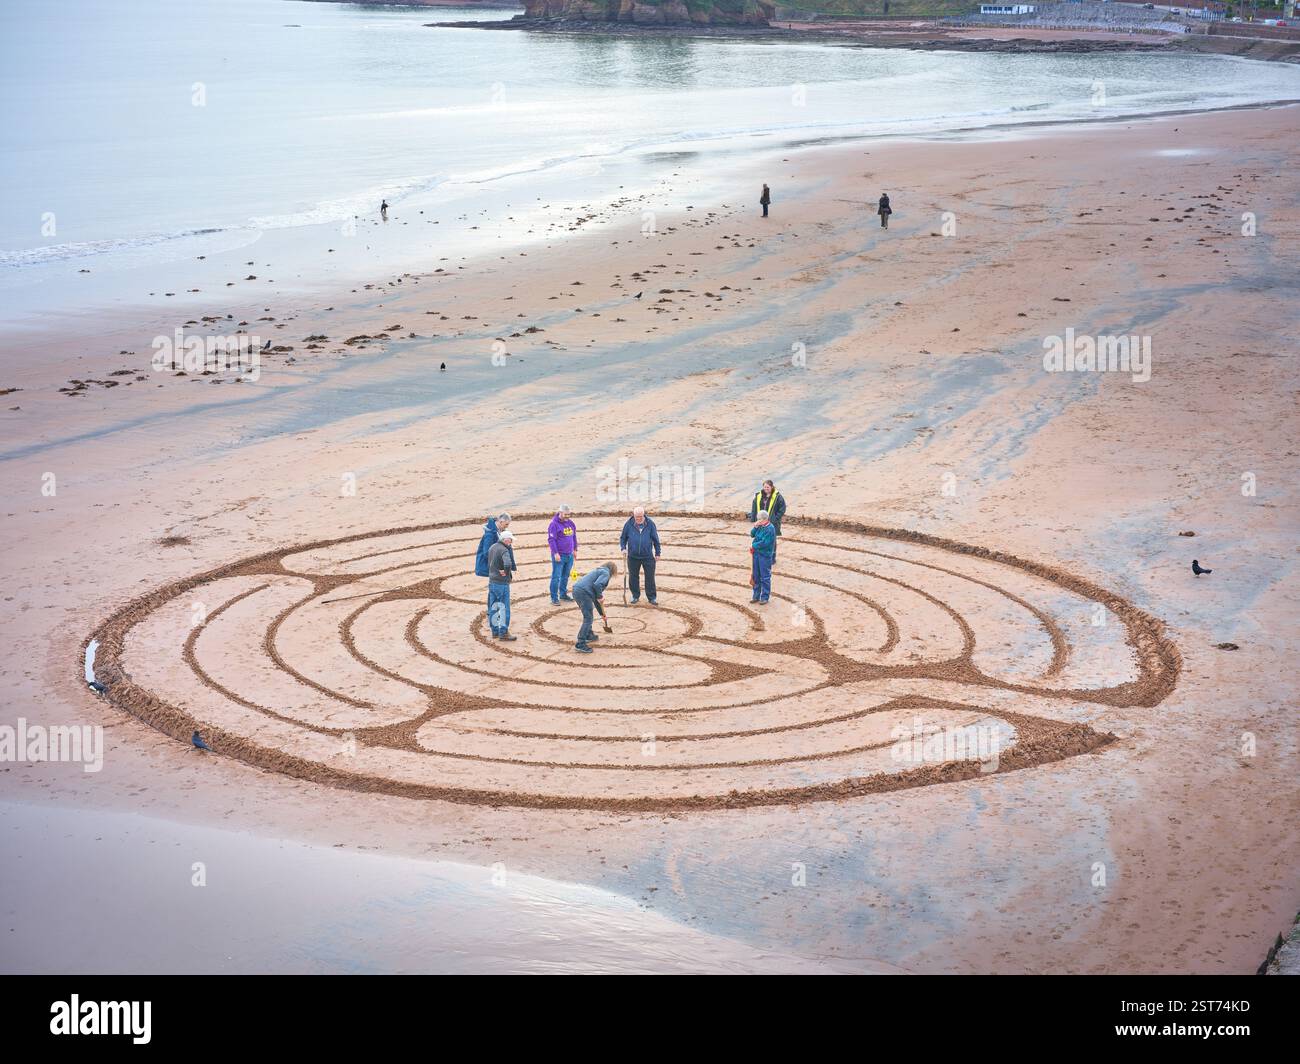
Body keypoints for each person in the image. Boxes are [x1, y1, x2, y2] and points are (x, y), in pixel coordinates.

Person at [572, 562, 617, 653]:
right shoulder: (605, 573)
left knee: (588, 614)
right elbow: (597, 585)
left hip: (577, 590)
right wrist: (600, 596)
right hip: (584, 593)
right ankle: (580, 643)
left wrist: (602, 614)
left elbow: (596, 598)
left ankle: (589, 635)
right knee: (588, 618)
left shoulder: (599, 571)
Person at [619, 506, 662, 605]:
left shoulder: (650, 524)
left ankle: (651, 598)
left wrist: (658, 553)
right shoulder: (628, 524)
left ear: (643, 515)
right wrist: (623, 548)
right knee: (633, 577)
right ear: (633, 515)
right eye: (636, 516)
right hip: (633, 557)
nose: (638, 518)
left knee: (650, 577)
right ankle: (635, 596)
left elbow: (656, 539)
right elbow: (623, 538)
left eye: (640, 516)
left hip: (647, 556)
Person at [486, 529, 517, 640]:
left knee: (493, 606)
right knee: (504, 607)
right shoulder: (504, 550)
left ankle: (494, 631)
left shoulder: (492, 547)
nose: (511, 543)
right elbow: (508, 563)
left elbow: (488, 561)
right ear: (506, 540)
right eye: (510, 541)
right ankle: (503, 632)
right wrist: (506, 573)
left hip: (492, 581)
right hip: (501, 583)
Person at [746, 479, 786, 561]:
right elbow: (754, 507)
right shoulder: (758, 495)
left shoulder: (778, 497)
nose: (766, 489)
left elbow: (782, 508)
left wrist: (775, 518)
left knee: (771, 540)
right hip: (761, 521)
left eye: (768, 487)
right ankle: (761, 557)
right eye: (765, 487)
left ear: (771, 487)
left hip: (772, 522)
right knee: (760, 538)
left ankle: (772, 558)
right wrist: (753, 518)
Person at [547, 504, 578, 605]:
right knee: (556, 577)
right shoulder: (553, 524)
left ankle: (563, 594)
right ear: (560, 512)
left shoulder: (571, 523)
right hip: (559, 555)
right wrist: (555, 553)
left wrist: (575, 549)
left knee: (565, 576)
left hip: (569, 555)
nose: (568, 516)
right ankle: (554, 598)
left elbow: (574, 537)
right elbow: (551, 540)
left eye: (569, 514)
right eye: (566, 514)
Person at [750, 511, 776, 605]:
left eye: (759, 519)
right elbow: (752, 534)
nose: (758, 521)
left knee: (765, 577)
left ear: (765, 519)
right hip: (756, 554)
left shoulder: (770, 529)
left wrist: (753, 545)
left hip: (765, 555)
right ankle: (756, 596)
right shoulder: (760, 526)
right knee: (756, 575)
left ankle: (765, 597)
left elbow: (765, 543)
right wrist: (755, 527)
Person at [474, 512, 511, 577]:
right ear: (501, 522)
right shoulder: (490, 534)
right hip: (486, 568)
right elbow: (487, 553)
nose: (507, 527)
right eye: (506, 524)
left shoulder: (498, 531)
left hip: (493, 568)